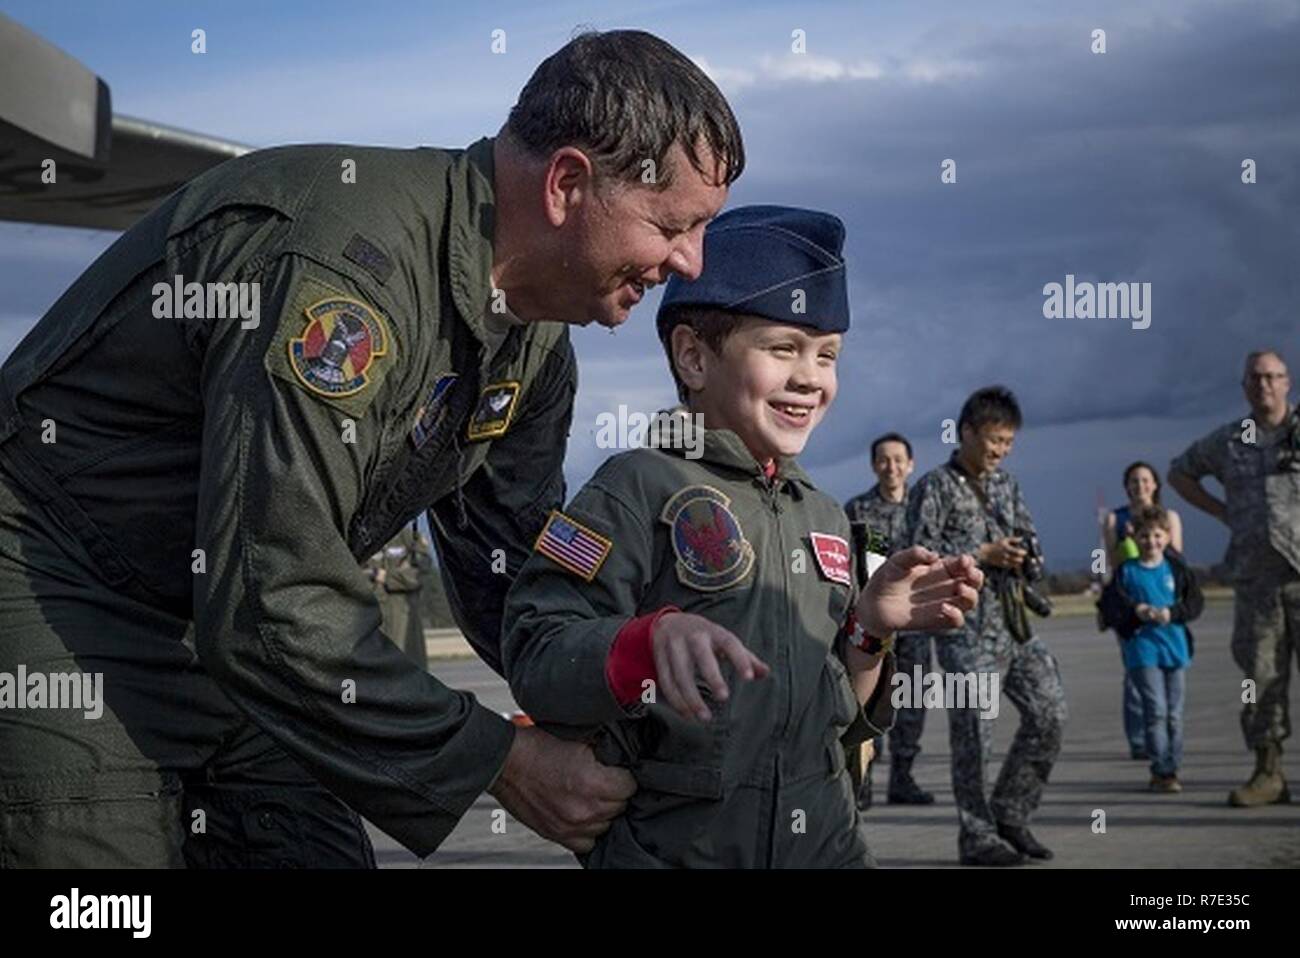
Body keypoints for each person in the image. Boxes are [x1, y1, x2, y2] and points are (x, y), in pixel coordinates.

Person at [0, 30, 743, 867]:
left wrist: (629, 690)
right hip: (59, 579)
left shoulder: (532, 349)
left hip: (227, 623)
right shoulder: (342, 277)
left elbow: (512, 573)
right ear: (568, 183)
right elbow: (269, 594)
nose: (690, 263)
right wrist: (500, 762)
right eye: (674, 225)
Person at [501, 206, 983, 867]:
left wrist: (869, 629)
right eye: (783, 348)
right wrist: (646, 641)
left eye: (828, 355)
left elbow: (836, 719)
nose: (811, 377)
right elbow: (536, 648)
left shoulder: (822, 514)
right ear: (694, 356)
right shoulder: (635, 488)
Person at [907, 385, 1068, 866]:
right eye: (994, 440)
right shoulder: (933, 487)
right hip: (963, 631)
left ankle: (1012, 813)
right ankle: (977, 837)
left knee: (1051, 714)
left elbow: (1032, 541)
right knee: (975, 735)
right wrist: (980, 554)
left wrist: (1023, 555)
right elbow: (917, 559)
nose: (1000, 451)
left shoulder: (1008, 485)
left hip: (1014, 626)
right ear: (967, 433)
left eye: (1008, 443)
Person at [1169, 348, 1300, 807]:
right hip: (1256, 581)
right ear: (1245, 386)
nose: (1264, 385)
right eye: (1255, 378)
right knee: (1259, 679)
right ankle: (1268, 771)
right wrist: (1224, 513)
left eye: (1273, 376)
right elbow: (1180, 473)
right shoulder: (1231, 440)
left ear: (1288, 382)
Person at [845, 432, 934, 807]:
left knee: (912, 704)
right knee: (871, 701)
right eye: (883, 459)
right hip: (873, 626)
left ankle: (903, 778)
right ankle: (862, 782)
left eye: (899, 459)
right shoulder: (858, 510)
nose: (891, 466)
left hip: (914, 623)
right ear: (873, 465)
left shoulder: (926, 507)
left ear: (910, 464)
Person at [1099, 507, 1203, 792]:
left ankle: (1174, 763)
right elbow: (1110, 607)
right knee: (1155, 709)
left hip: (1175, 648)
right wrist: (1136, 611)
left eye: (1157, 535)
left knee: (1174, 713)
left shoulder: (1177, 570)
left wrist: (1173, 613)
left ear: (1167, 537)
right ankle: (1162, 770)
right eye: (1145, 536)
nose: (1151, 541)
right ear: (1134, 536)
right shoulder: (1126, 572)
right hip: (1142, 650)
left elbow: (1195, 603)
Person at [1102, 462, 1185, 760]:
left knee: (1169, 679)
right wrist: (1126, 539)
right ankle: (1140, 740)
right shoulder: (1115, 518)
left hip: (1163, 602)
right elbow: (1110, 561)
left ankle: (1165, 742)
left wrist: (1154, 536)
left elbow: (1177, 558)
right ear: (1127, 487)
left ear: (1155, 485)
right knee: (1135, 673)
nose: (1140, 486)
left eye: (1146, 480)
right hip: (1131, 603)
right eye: (1134, 481)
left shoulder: (1170, 517)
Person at [363, 524, 433, 670]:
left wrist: (386, 577)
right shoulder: (363, 538)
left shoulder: (409, 538)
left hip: (403, 617)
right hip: (371, 620)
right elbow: (352, 575)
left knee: (408, 668)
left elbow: (418, 573)